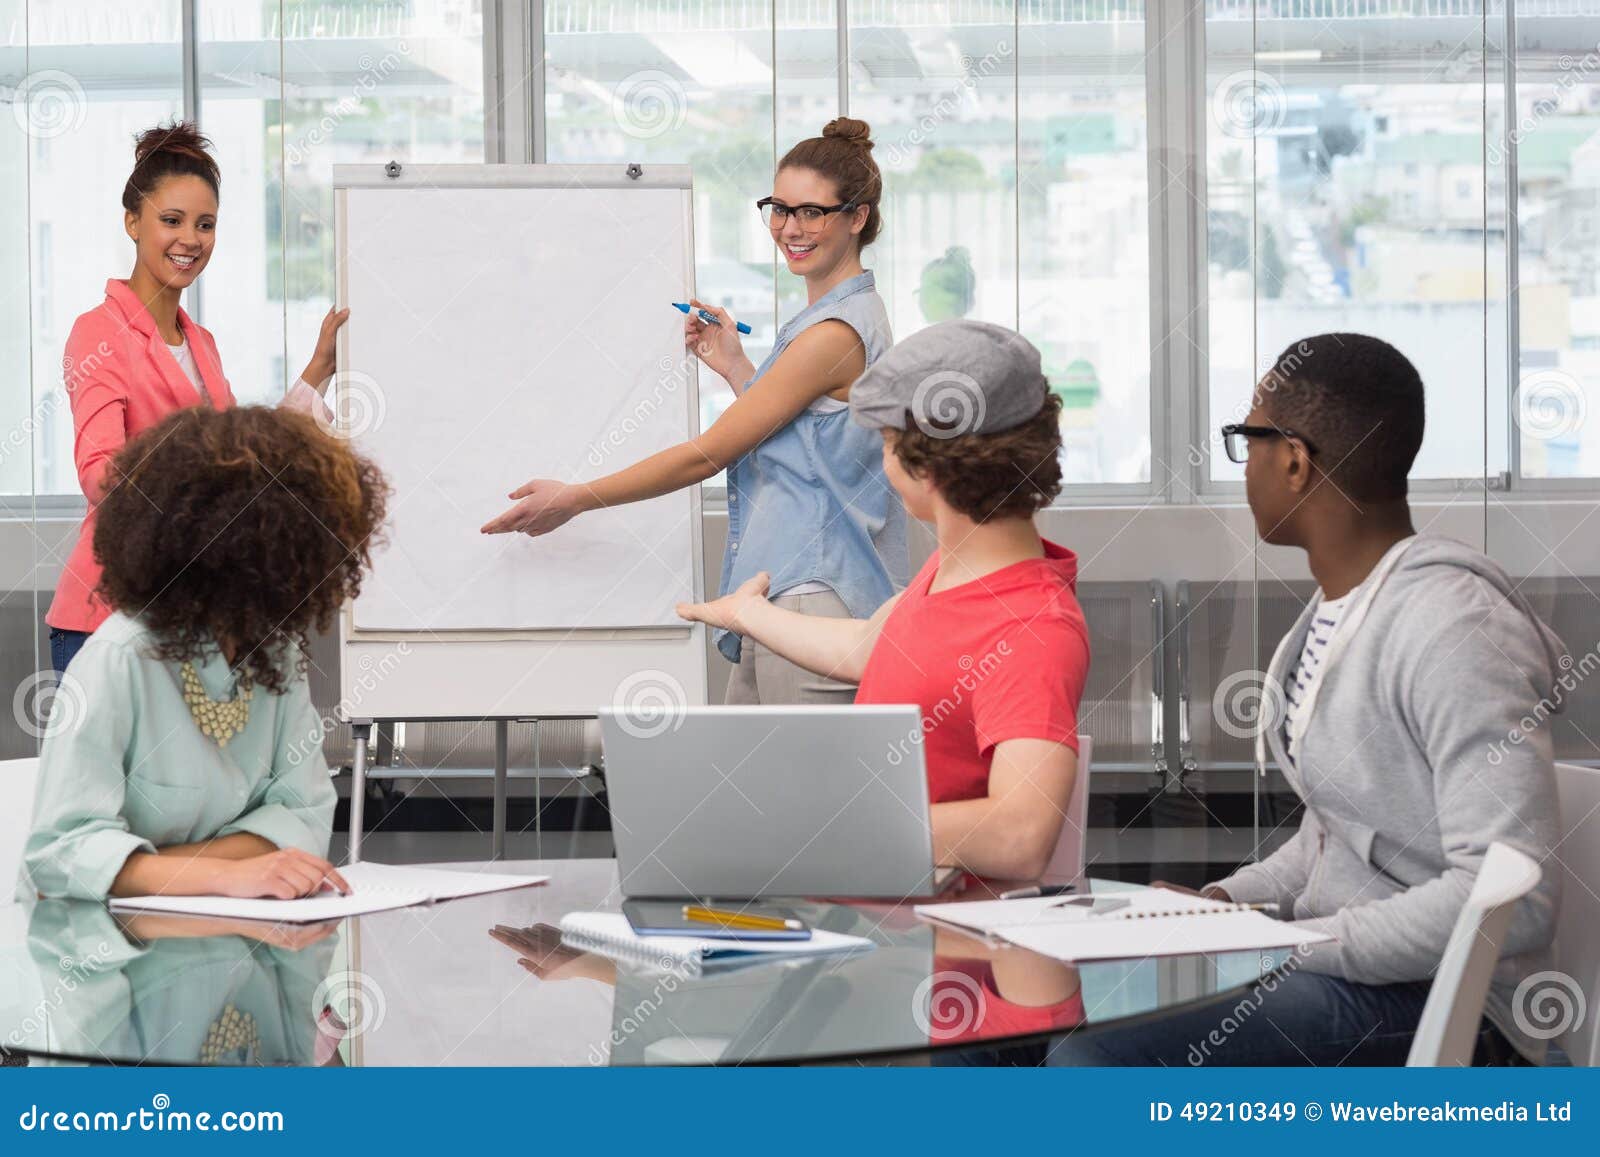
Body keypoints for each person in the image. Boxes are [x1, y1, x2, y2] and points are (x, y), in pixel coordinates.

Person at [1051, 333, 1562, 1066]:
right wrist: (1223, 905)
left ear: (1293, 459)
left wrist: (1295, 944)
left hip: (1449, 1006)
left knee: (1098, 1045)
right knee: (1058, 1000)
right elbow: (1336, 834)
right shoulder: (1340, 610)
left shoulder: (1454, 630)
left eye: (1247, 438)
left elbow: (1513, 901)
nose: (1245, 462)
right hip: (1361, 976)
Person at [481, 117, 907, 704]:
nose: (789, 228)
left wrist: (575, 498)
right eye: (778, 208)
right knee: (756, 791)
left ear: (857, 217)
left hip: (813, 595)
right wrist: (738, 370)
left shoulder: (834, 333)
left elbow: (707, 455)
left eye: (812, 211)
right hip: (782, 593)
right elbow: (805, 447)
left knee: (801, 795)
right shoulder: (828, 321)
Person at [677, 321, 1089, 881]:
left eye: (887, 444)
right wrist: (748, 614)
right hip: (878, 917)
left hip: (938, 949)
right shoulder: (959, 573)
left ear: (924, 466)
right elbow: (871, 648)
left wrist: (827, 825)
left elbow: (1022, 833)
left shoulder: (1029, 628)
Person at [26, 405, 388, 902]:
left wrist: (162, 866)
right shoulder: (120, 656)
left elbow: (305, 814)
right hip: (117, 956)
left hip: (242, 943)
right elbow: (58, 854)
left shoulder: (274, 654)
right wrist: (223, 874)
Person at [46, 121, 349, 673]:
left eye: (205, 224)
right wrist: (205, 479)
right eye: (171, 220)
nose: (191, 239)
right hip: (108, 620)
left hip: (189, 616)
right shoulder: (98, 332)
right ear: (133, 222)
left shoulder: (201, 344)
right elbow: (99, 475)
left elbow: (243, 459)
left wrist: (318, 368)